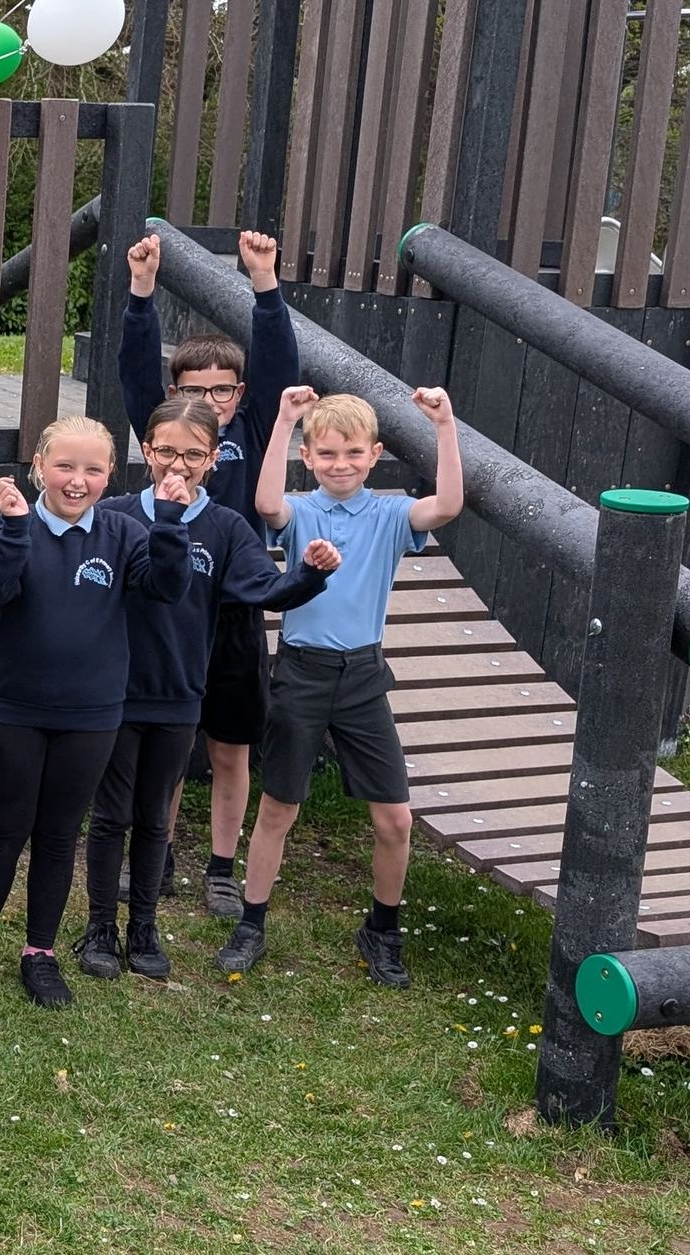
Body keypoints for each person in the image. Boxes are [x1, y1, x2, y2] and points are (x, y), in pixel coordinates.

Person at [77, 398, 338, 981]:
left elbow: (266, 590)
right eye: (166, 450)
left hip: (178, 695)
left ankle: (143, 929)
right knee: (110, 814)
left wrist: (311, 573)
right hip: (112, 694)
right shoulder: (116, 514)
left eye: (194, 453)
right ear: (145, 450)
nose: (179, 463)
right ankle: (99, 927)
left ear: (214, 459)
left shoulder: (225, 527)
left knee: (153, 817)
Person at [0, 417, 191, 1007]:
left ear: (111, 477)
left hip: (92, 714)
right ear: (38, 466)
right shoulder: (14, 523)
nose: (76, 481)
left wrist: (169, 526)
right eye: (65, 466)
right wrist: (8, 530)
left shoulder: (124, 534)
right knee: (5, 829)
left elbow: (165, 588)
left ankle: (40, 952)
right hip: (13, 707)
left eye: (92, 469)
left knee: (59, 836)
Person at [229, 386, 463, 985]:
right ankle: (251, 922)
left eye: (354, 454)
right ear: (309, 457)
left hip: (362, 677)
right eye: (328, 454)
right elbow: (265, 502)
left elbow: (448, 507)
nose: (341, 464)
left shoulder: (389, 514)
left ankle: (382, 929)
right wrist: (283, 421)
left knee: (396, 819)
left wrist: (443, 425)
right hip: (301, 673)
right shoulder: (301, 510)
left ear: (375, 454)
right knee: (279, 806)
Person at [119, 229, 299, 919]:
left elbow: (281, 361)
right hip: (164, 610)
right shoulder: (163, 431)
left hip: (231, 617)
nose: (210, 401)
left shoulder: (246, 434)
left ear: (240, 395)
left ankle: (222, 865)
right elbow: (136, 371)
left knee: (229, 748)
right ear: (173, 396)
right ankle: (155, 848)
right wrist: (141, 292)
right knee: (164, 745)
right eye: (195, 389)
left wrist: (265, 284)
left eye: (223, 390)